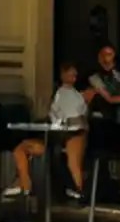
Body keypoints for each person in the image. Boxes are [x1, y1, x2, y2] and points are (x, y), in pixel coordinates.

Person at [5, 61, 92, 200]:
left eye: (74, 74)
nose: (73, 76)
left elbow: (80, 119)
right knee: (20, 149)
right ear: (63, 74)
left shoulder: (78, 96)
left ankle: (78, 192)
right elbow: (54, 114)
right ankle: (24, 185)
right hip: (51, 140)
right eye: (70, 73)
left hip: (72, 135)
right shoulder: (58, 93)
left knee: (73, 157)